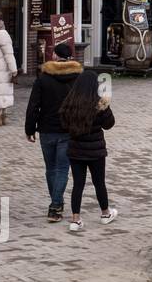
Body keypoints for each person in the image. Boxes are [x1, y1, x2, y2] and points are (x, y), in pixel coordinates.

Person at [25, 42, 81, 222]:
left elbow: (33, 105)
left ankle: (56, 204)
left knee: (51, 168)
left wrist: (30, 128)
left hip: (47, 129)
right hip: (68, 129)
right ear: (70, 57)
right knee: (63, 168)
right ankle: (56, 205)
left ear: (55, 56)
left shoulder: (43, 78)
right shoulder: (77, 78)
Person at [59, 71, 118, 232]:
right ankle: (105, 213)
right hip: (95, 151)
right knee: (99, 182)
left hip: (75, 150)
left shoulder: (71, 103)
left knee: (78, 184)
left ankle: (75, 219)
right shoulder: (99, 104)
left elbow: (63, 124)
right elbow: (109, 124)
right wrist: (106, 106)